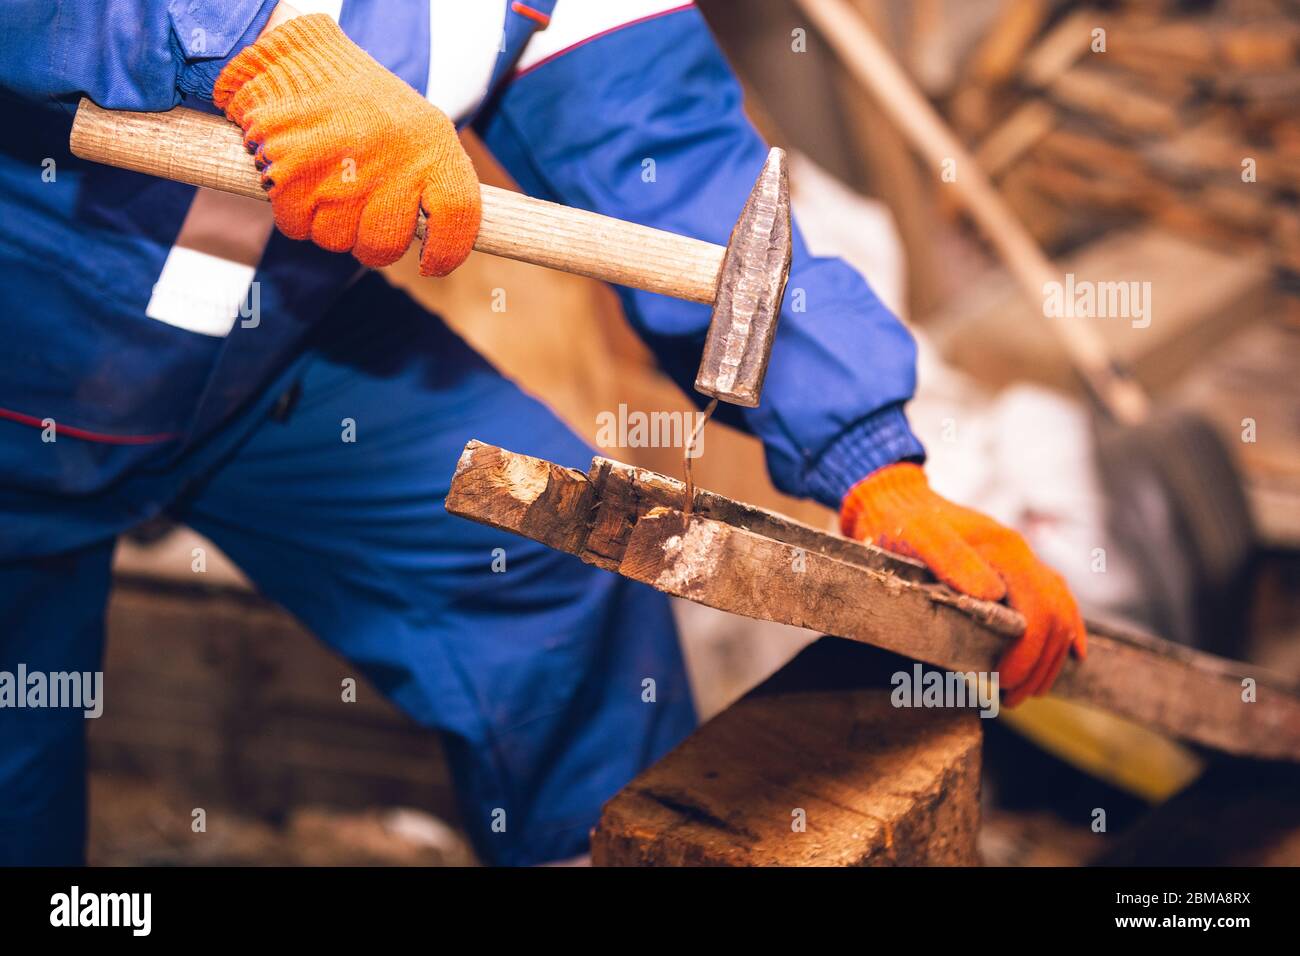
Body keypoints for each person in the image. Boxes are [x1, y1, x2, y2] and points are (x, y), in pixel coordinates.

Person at [0, 0, 1084, 865]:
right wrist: (246, 41)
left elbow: (673, 164)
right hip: (21, 347)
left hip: (263, 349)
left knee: (557, 565)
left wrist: (874, 461)